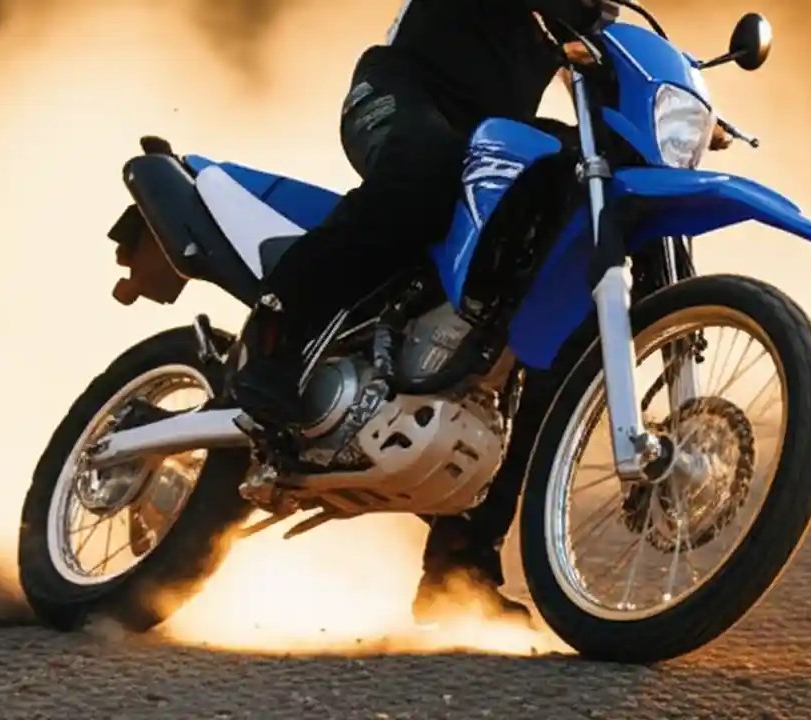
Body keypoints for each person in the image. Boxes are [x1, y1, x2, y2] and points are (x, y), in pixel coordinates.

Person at [234, 0, 620, 623]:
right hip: (400, 96)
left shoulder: (583, 12)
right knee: (424, 172)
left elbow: (606, 57)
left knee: (561, 299)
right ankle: (276, 335)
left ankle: (460, 567)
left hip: (492, 139)